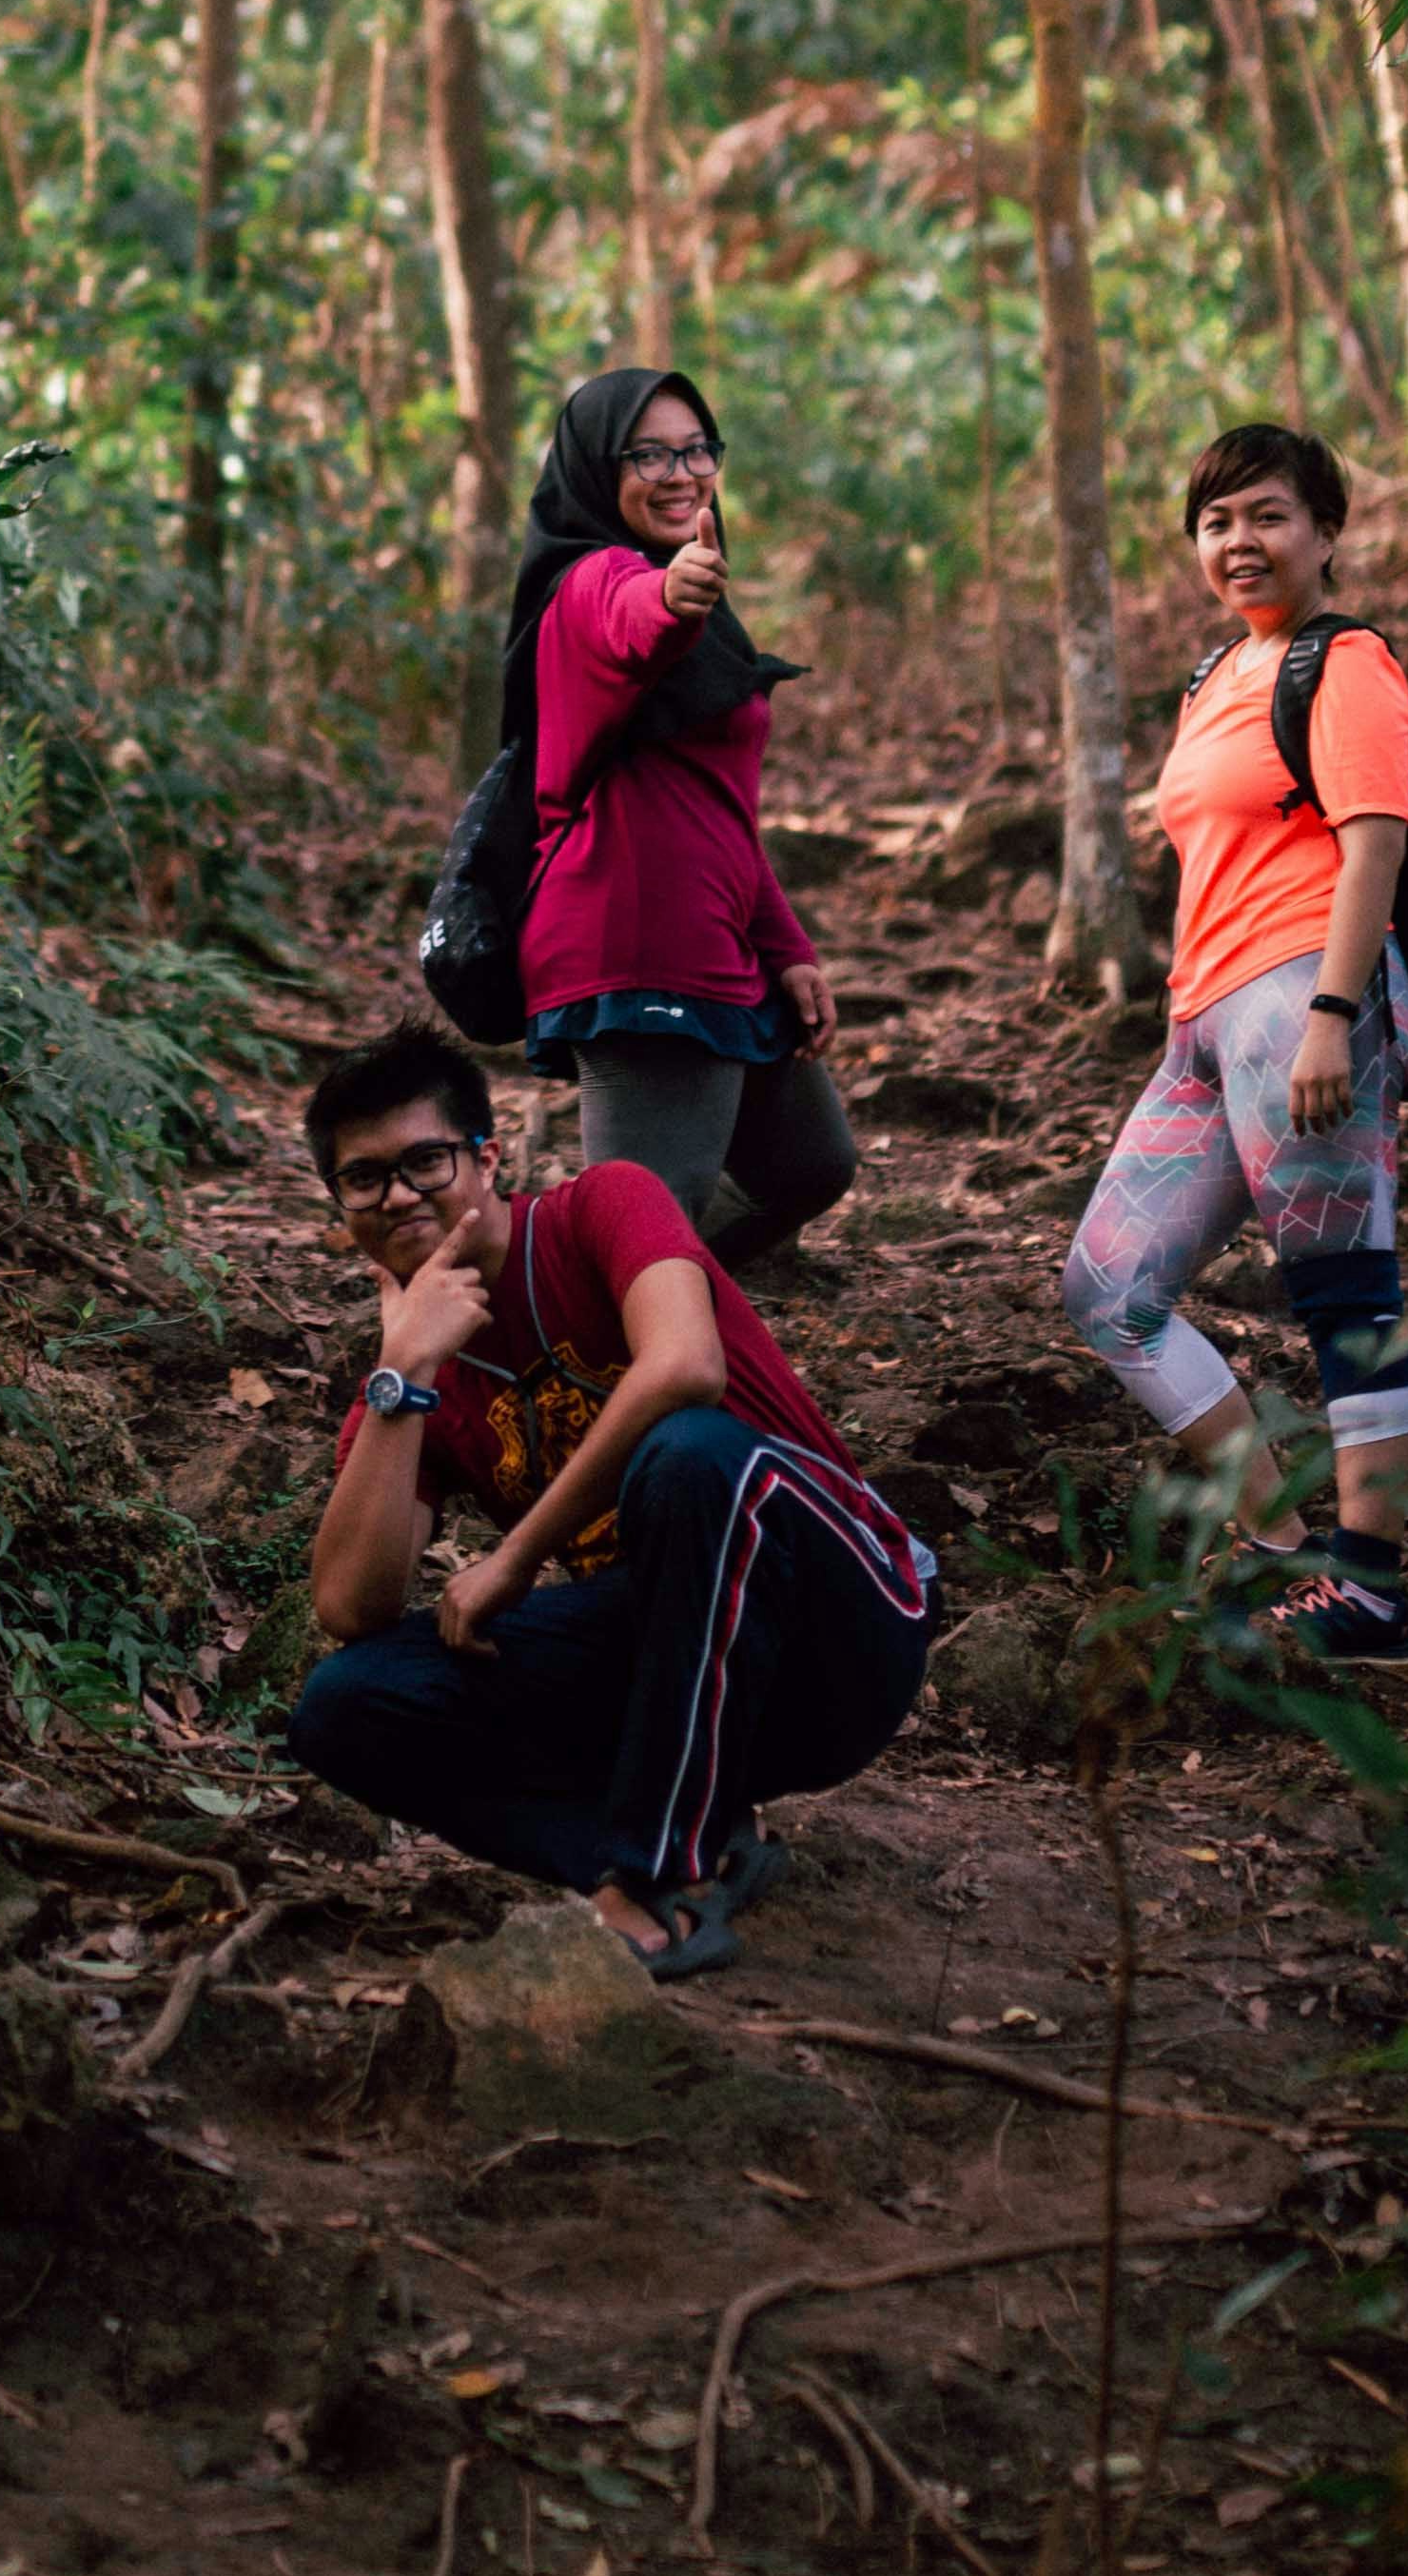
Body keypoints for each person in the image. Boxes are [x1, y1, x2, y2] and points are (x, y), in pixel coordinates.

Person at [281, 1022, 932, 1971]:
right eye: (365, 1177)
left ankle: (653, 1867)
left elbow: (684, 1366)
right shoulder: (418, 1362)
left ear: (486, 1156)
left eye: (426, 1160)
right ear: (339, 1201)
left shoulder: (600, 1209)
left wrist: (516, 1555)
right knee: (343, 1706)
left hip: (845, 1627)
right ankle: (667, 1866)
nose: (400, 1194)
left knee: (692, 1456)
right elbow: (350, 1604)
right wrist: (403, 1369)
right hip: (681, 1681)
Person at [1063, 420, 1408, 1663]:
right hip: (1199, 1021)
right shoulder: (1218, 673)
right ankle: (1282, 1547)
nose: (1239, 541)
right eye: (1215, 521)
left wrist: (1332, 1014)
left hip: (1297, 998)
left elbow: (1373, 838)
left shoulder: (1347, 661)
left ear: (1323, 533)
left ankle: (1370, 1588)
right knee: (1108, 1289)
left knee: (1342, 1287)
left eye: (1266, 514)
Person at [503, 364, 857, 1256]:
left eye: (697, 449)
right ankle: (615, 1352)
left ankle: (680, 1307)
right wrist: (670, 595)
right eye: (649, 453)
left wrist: (787, 947)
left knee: (813, 1163)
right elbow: (628, 614)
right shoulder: (588, 583)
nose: (681, 472)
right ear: (595, 466)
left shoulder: (706, 614)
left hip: (718, 942)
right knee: (645, 1236)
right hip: (635, 950)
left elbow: (718, 810)